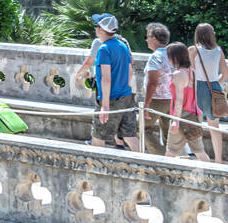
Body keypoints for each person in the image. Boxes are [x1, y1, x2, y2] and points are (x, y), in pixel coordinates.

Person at [90, 14, 139, 151]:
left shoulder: (104, 49)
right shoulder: (123, 45)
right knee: (130, 136)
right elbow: (129, 70)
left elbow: (106, 78)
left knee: (98, 137)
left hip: (110, 99)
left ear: (100, 29)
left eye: (96, 26)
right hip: (126, 96)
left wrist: (105, 106)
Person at [164, 42, 211, 162]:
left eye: (168, 55)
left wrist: (176, 121)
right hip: (194, 115)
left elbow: (179, 100)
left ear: (175, 57)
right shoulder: (192, 71)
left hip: (182, 117)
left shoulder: (179, 74)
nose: (167, 58)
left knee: (170, 152)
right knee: (199, 151)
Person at [192, 23, 228, 163]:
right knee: (215, 127)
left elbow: (190, 73)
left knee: (192, 124)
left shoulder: (194, 50)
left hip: (198, 88)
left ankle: (198, 156)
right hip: (214, 87)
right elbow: (225, 74)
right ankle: (218, 160)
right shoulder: (219, 50)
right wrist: (214, 85)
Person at [140, 22, 171, 153]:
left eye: (147, 37)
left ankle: (161, 156)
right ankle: (175, 157)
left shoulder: (156, 57)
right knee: (169, 132)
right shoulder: (173, 53)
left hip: (157, 99)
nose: (146, 40)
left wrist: (146, 104)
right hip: (172, 99)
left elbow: (152, 82)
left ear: (154, 38)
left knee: (141, 128)